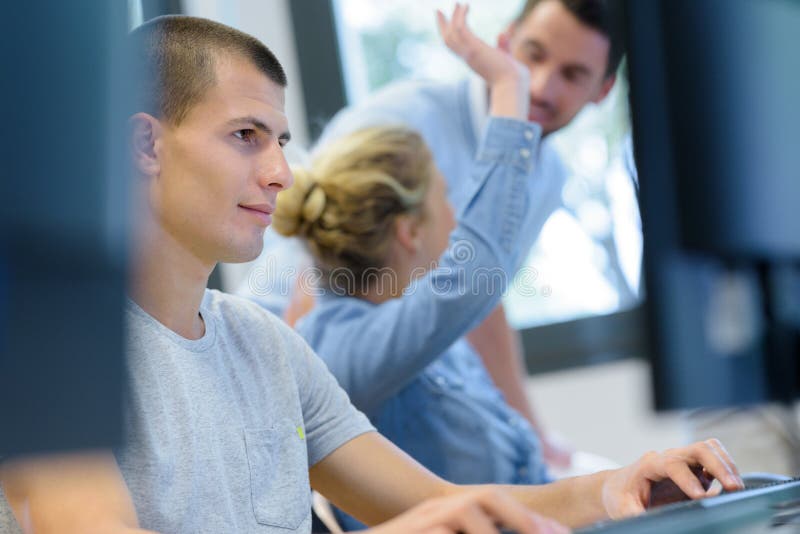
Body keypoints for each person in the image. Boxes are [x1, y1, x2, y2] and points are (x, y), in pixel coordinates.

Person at [0, 12, 743, 534]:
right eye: (246, 137)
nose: (281, 173)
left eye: (282, 141)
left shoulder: (267, 348)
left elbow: (444, 501)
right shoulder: (46, 349)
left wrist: (613, 488)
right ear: (144, 146)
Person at [245, 0, 626, 471]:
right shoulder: (403, 127)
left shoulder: (545, 176)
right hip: (293, 361)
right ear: (504, 44)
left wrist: (536, 438)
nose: (542, 86)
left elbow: (480, 301)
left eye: (572, 74)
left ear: (603, 89)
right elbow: (315, 280)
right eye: (533, 56)